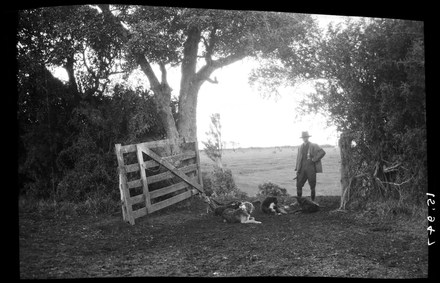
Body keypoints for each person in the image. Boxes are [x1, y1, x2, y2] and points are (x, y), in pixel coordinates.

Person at [294, 131, 326, 202]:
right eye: (303, 137)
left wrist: (314, 159)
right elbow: (298, 158)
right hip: (302, 168)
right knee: (298, 184)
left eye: (306, 137)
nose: (304, 138)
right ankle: (299, 201)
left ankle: (312, 201)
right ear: (302, 138)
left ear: (308, 137)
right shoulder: (300, 147)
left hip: (311, 167)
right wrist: (297, 169)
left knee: (312, 184)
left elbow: (322, 152)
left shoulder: (314, 145)